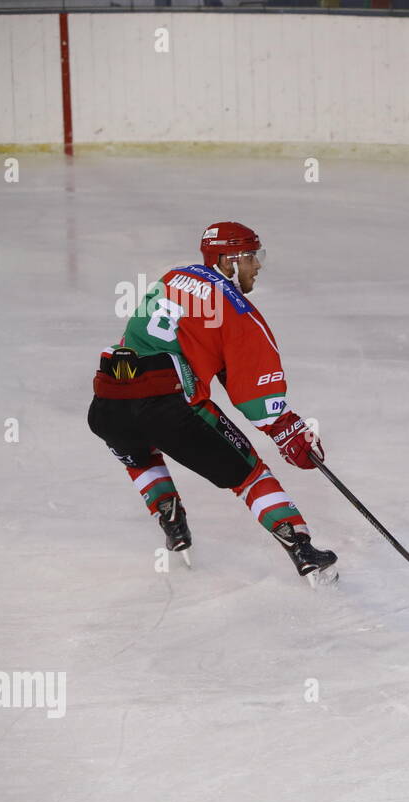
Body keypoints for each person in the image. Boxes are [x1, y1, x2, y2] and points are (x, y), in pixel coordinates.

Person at [87, 222, 337, 584]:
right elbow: (254, 393)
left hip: (108, 401)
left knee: (138, 450)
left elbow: (144, 335)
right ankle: (302, 549)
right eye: (252, 256)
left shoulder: (173, 277)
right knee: (251, 476)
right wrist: (286, 429)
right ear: (229, 260)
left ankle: (170, 518)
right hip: (169, 406)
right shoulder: (238, 310)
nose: (258, 265)